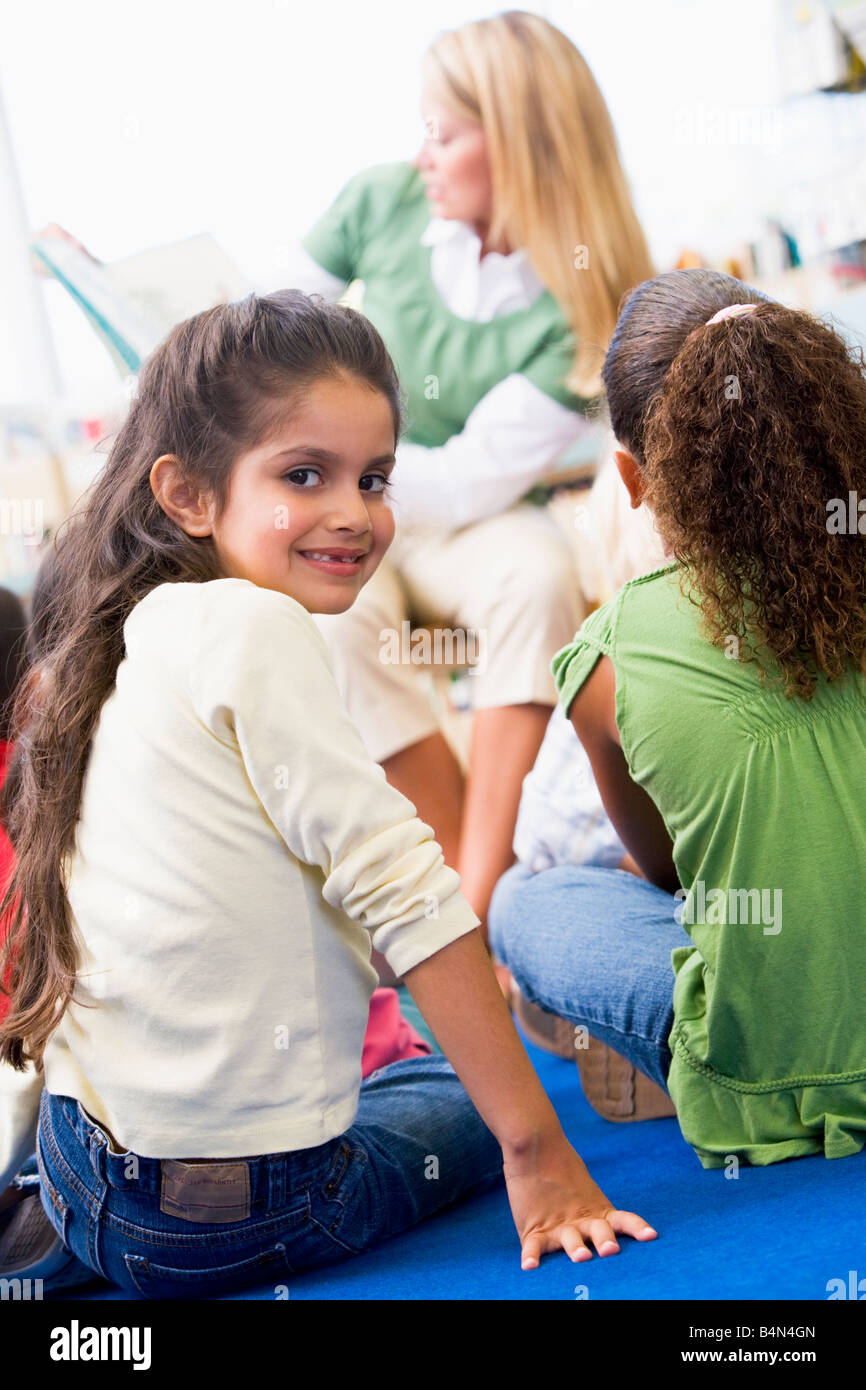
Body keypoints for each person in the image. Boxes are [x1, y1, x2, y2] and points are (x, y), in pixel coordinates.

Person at [0, 290, 657, 1297]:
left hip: (89, 1171)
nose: (354, 512)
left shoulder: (134, 633)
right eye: (303, 475)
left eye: (374, 478)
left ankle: (54, 1215)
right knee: (443, 1099)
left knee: (387, 1040)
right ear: (187, 493)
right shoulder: (251, 631)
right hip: (211, 1222)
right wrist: (537, 1155)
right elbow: (411, 898)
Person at [277, 10, 654, 956]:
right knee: (339, 615)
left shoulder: (581, 302)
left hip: (458, 515)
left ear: (521, 147)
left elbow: (464, 484)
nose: (423, 156)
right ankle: (453, 910)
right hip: (364, 505)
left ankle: (478, 900)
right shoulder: (382, 204)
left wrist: (347, 481)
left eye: (445, 134)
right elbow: (268, 337)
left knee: (533, 577)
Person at [490, 268, 866, 1169]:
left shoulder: (611, 653)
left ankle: (677, 1058)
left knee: (524, 900)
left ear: (632, 478)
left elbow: (665, 872)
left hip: (769, 1074)